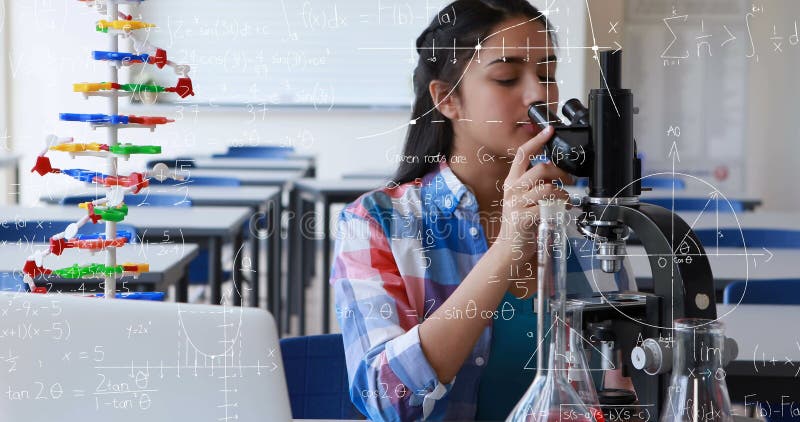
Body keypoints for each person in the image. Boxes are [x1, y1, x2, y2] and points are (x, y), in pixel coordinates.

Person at [331, 1, 634, 420]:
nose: (538, 95)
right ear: (447, 99)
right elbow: (387, 399)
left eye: (548, 75)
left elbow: (624, 388)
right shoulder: (376, 223)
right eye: (507, 77)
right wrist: (507, 250)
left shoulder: (587, 223)